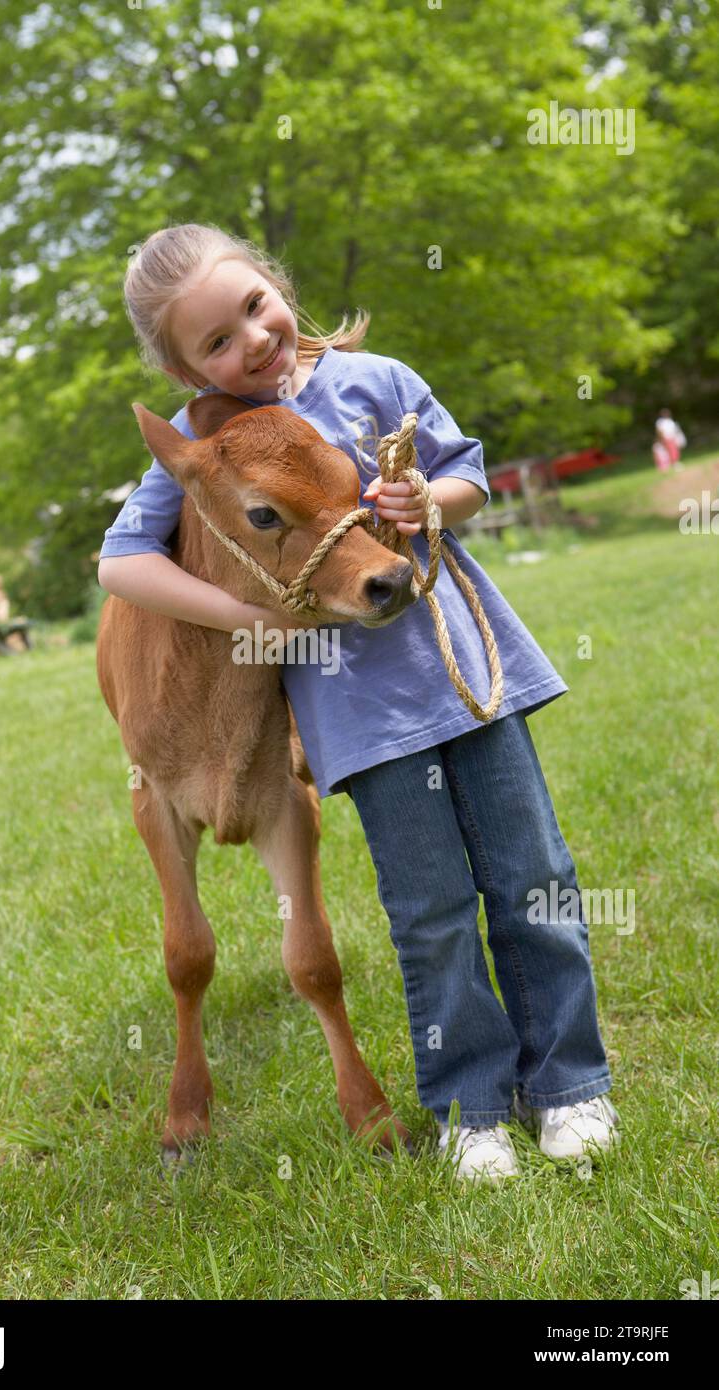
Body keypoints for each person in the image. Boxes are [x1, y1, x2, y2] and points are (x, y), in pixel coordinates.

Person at [98, 222, 620, 1184]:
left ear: (277, 287)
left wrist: (431, 497)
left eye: (256, 306)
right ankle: (472, 1109)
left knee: (534, 878)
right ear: (186, 372)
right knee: (428, 915)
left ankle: (571, 1086)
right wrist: (249, 621)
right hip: (360, 723)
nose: (252, 340)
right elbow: (119, 561)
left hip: (472, 680)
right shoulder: (210, 452)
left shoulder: (374, 381)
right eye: (216, 341)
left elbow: (469, 475)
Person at [654, 407, 686, 473]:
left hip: (672, 437)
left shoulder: (670, 421)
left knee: (675, 451)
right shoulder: (660, 422)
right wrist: (662, 439)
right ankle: (673, 464)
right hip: (666, 438)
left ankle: (675, 463)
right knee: (670, 451)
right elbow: (659, 431)